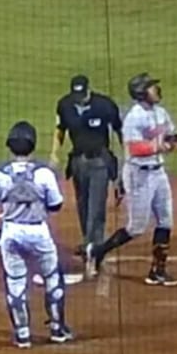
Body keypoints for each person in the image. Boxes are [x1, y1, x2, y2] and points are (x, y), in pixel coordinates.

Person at [0, 121, 76, 348]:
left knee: (15, 281)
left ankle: (22, 334)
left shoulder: (0, 175)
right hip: (38, 232)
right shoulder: (43, 174)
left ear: (10, 146)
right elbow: (56, 205)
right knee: (52, 277)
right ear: (33, 145)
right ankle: (57, 329)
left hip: (11, 232)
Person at [89, 74, 177, 286]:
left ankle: (157, 271)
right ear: (142, 92)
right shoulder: (134, 117)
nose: (157, 90)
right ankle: (98, 251)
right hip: (138, 175)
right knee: (136, 228)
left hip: (158, 172)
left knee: (166, 220)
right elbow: (133, 148)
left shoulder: (161, 113)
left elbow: (170, 139)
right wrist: (158, 147)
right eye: (152, 87)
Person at [50, 74, 124, 278]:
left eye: (81, 94)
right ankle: (88, 243)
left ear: (88, 91)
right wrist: (54, 154)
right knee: (82, 207)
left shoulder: (105, 105)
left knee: (96, 209)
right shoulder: (65, 105)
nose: (78, 98)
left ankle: (95, 251)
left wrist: (126, 159)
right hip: (77, 163)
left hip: (100, 162)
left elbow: (120, 130)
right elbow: (60, 130)